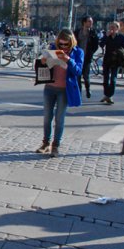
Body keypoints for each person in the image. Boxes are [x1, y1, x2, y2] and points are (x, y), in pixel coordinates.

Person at [36, 29, 83, 157]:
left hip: (64, 89)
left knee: (59, 118)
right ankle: (45, 143)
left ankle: (55, 146)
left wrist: (68, 60)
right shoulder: (53, 48)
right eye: (60, 44)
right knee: (47, 117)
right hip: (50, 87)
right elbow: (42, 62)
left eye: (66, 44)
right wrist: (43, 60)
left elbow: (78, 71)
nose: (62, 47)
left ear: (71, 42)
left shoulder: (78, 52)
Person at [99, 21, 124, 105]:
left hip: (116, 60)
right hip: (107, 59)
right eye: (110, 27)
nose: (111, 29)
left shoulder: (121, 37)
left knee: (113, 79)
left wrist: (119, 51)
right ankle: (106, 95)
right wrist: (106, 36)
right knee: (105, 79)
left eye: (113, 27)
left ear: (117, 29)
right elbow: (101, 44)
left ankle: (110, 95)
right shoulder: (107, 36)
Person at [73, 16, 100, 98]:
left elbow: (96, 45)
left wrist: (91, 52)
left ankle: (88, 89)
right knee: (77, 76)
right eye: (89, 21)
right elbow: (73, 42)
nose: (91, 23)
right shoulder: (77, 32)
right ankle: (79, 93)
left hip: (87, 57)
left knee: (86, 76)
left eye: (91, 22)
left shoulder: (93, 33)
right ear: (84, 22)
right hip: (78, 57)